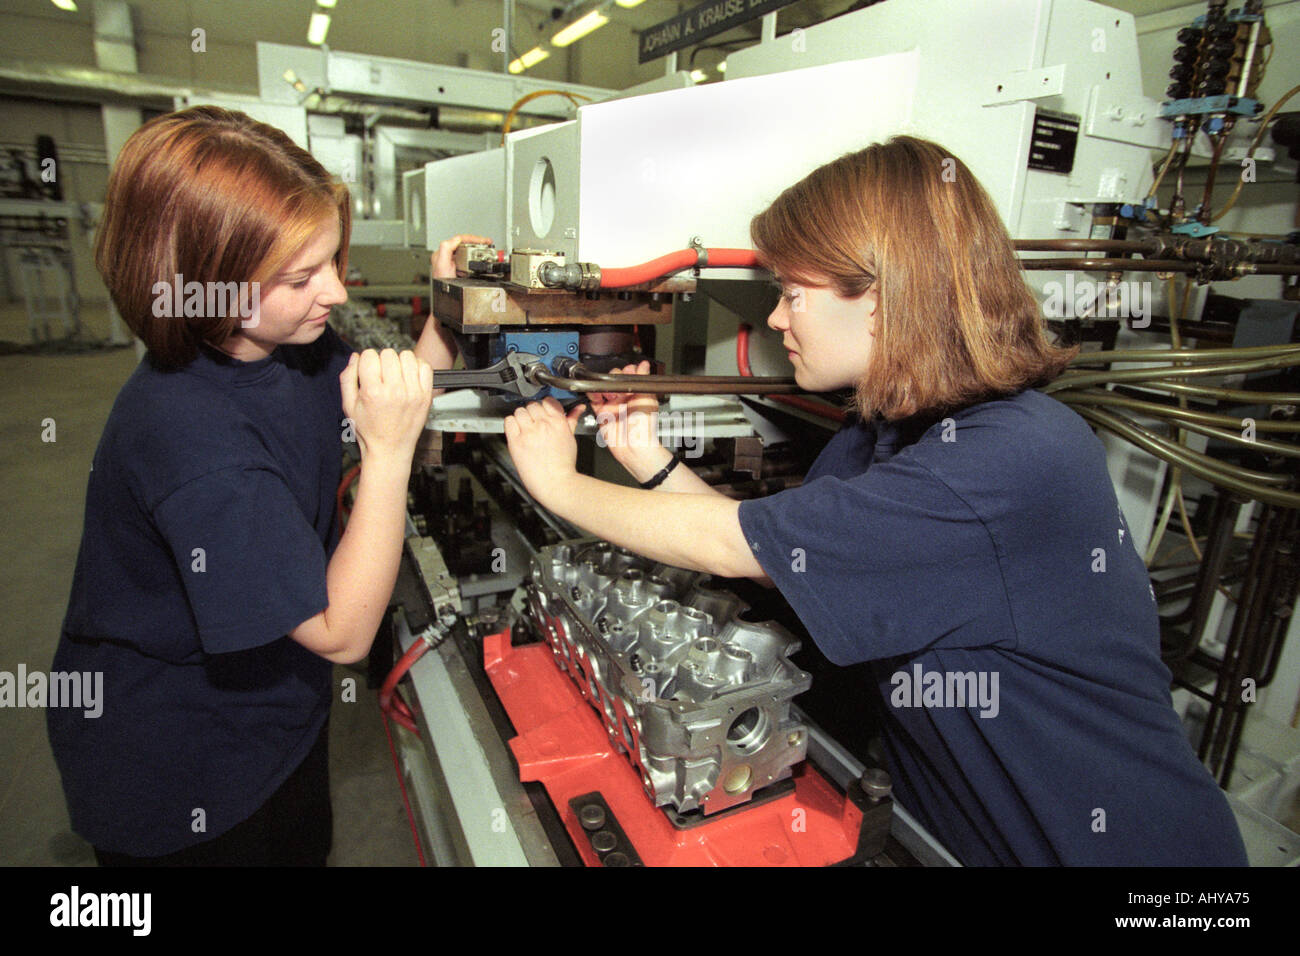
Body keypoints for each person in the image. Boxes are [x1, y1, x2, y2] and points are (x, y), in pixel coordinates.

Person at [502, 135, 1249, 866]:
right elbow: (777, 557)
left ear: (887, 294)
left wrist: (560, 484)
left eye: (793, 293)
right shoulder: (886, 431)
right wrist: (643, 454)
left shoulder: (1015, 457)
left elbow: (732, 545)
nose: (775, 318)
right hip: (945, 831)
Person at [47, 105, 486, 865]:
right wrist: (387, 458)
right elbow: (343, 633)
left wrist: (449, 303)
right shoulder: (194, 440)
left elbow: (399, 391)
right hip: (184, 768)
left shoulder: (281, 343)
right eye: (302, 276)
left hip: (272, 712)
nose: (337, 293)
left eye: (333, 261)